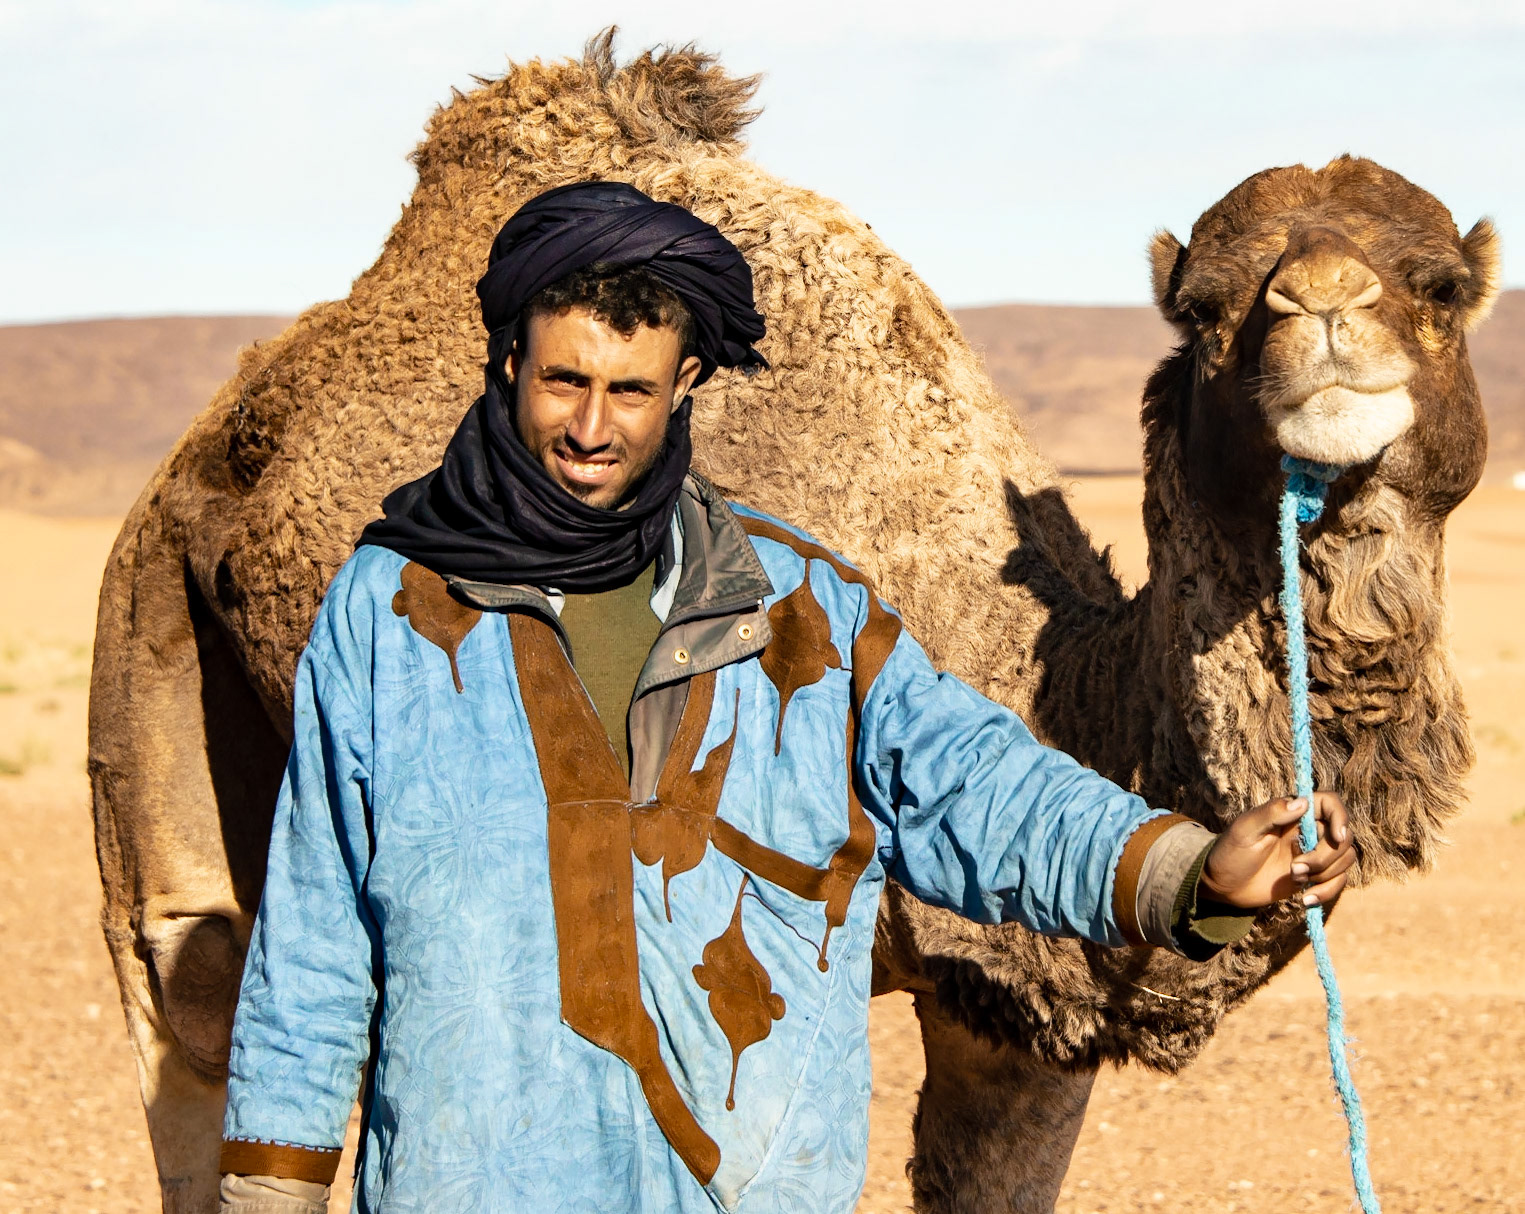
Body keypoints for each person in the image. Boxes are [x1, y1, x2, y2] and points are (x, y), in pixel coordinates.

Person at [217, 182, 1355, 1214]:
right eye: (565, 381)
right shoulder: (391, 610)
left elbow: (973, 787)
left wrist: (1188, 872)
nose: (592, 429)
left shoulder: (797, 606)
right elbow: (315, 931)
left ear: (685, 385)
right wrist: (270, 1193)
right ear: (510, 361)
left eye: (630, 390)